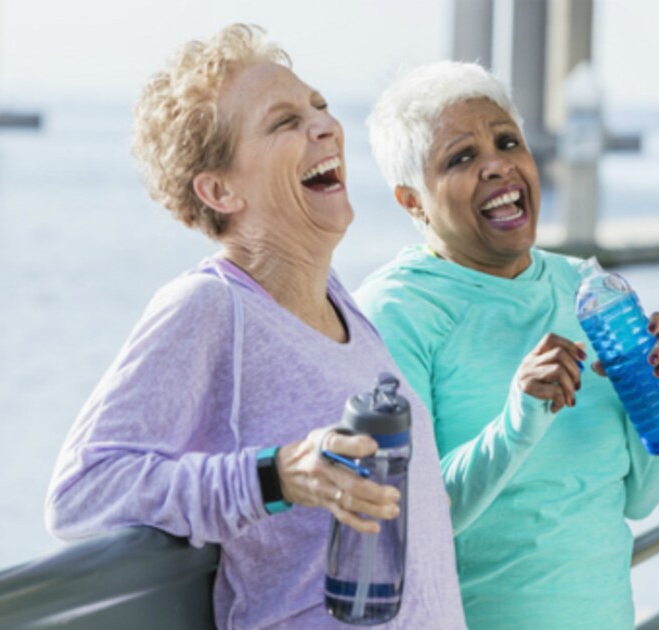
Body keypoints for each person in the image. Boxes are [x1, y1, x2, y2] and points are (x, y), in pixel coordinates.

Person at [44, 24, 464, 628]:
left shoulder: (345, 306)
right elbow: (81, 494)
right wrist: (275, 474)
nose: (324, 126)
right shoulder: (210, 307)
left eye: (317, 106)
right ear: (219, 189)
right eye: (284, 121)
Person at [355, 61, 659, 628]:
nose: (497, 164)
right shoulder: (394, 311)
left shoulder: (586, 287)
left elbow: (639, 500)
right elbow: (400, 520)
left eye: (508, 141)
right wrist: (517, 422)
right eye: (461, 157)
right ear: (412, 201)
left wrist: (658, 397)